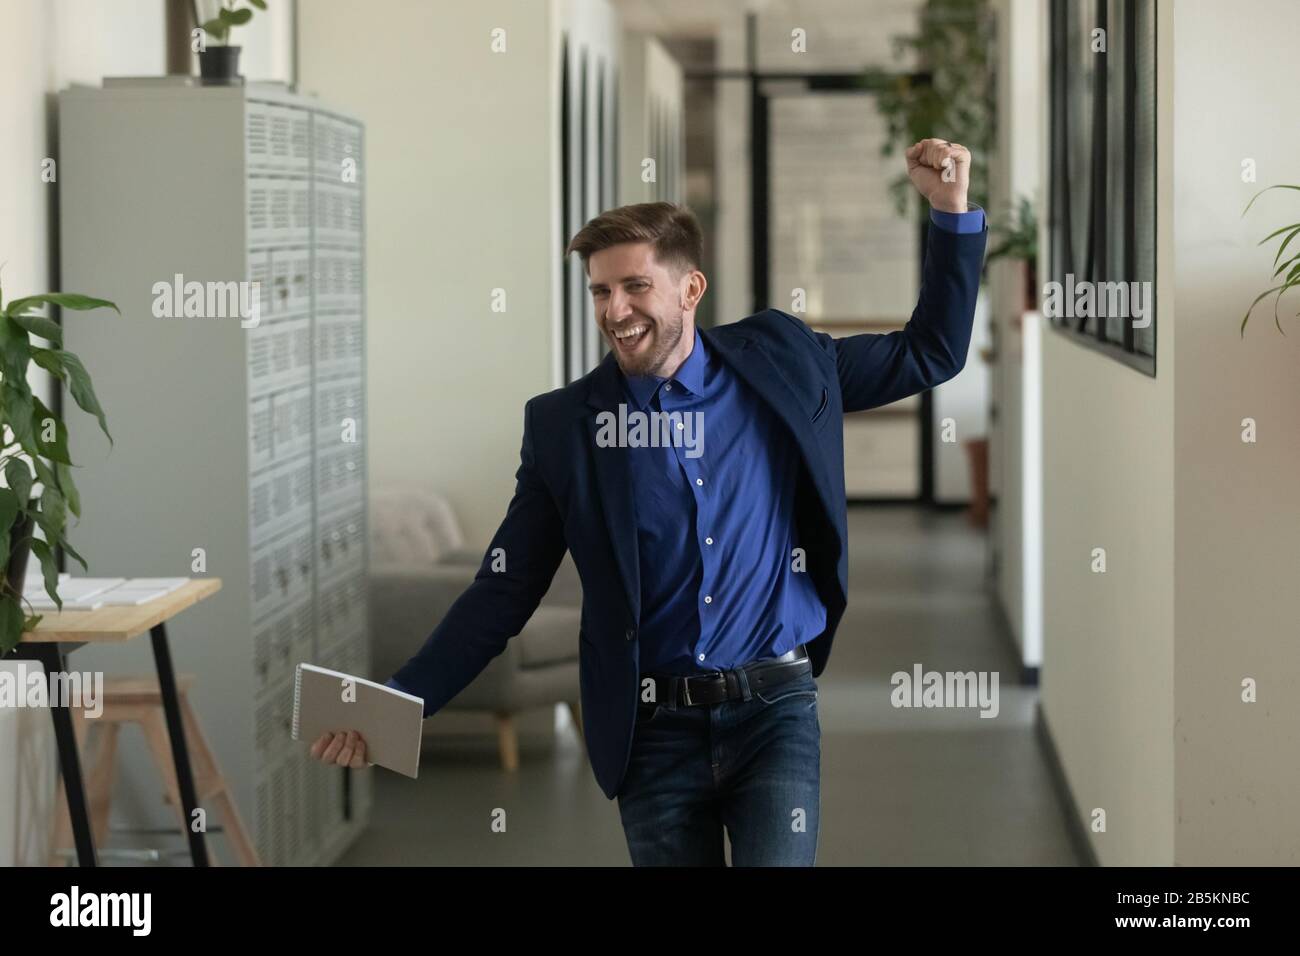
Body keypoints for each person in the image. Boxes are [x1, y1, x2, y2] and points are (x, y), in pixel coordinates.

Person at [311, 138, 987, 866]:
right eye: (601, 292)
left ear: (690, 289)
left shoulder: (787, 361)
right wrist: (400, 699)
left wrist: (950, 214)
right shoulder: (565, 427)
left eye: (635, 287)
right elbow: (504, 589)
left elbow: (930, 353)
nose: (615, 310)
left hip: (774, 707)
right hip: (651, 729)